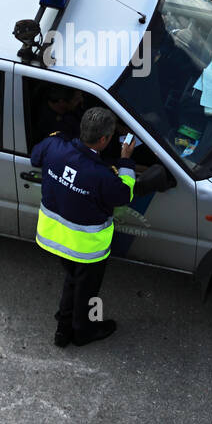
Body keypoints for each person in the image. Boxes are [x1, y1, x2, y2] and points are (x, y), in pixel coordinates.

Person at [30, 106, 137, 347]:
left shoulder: (53, 146)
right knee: (86, 288)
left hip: (52, 237)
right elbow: (125, 194)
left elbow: (35, 158)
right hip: (85, 249)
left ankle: (63, 326)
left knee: (73, 279)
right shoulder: (103, 176)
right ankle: (83, 331)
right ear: (104, 139)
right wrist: (126, 161)